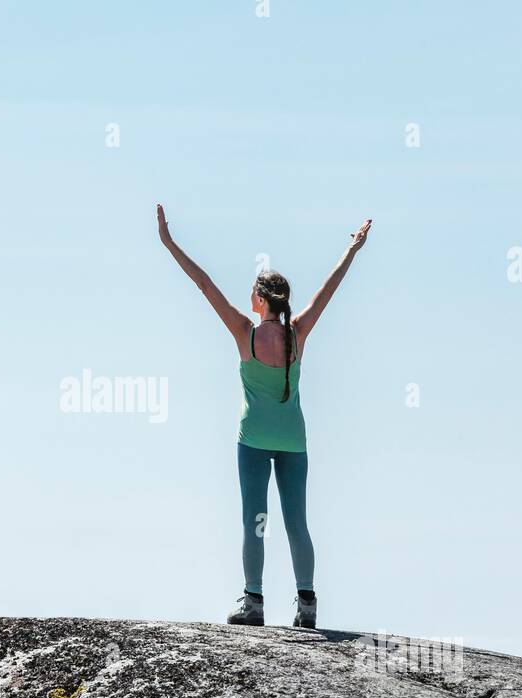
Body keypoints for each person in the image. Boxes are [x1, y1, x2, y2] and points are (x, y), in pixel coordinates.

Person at [157, 204, 371, 628]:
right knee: (297, 523)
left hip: (253, 442)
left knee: (254, 522)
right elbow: (330, 289)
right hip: (293, 441)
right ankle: (306, 605)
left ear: (258, 300)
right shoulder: (298, 332)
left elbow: (204, 284)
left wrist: (168, 242)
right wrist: (352, 250)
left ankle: (253, 602)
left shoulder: (244, 332)